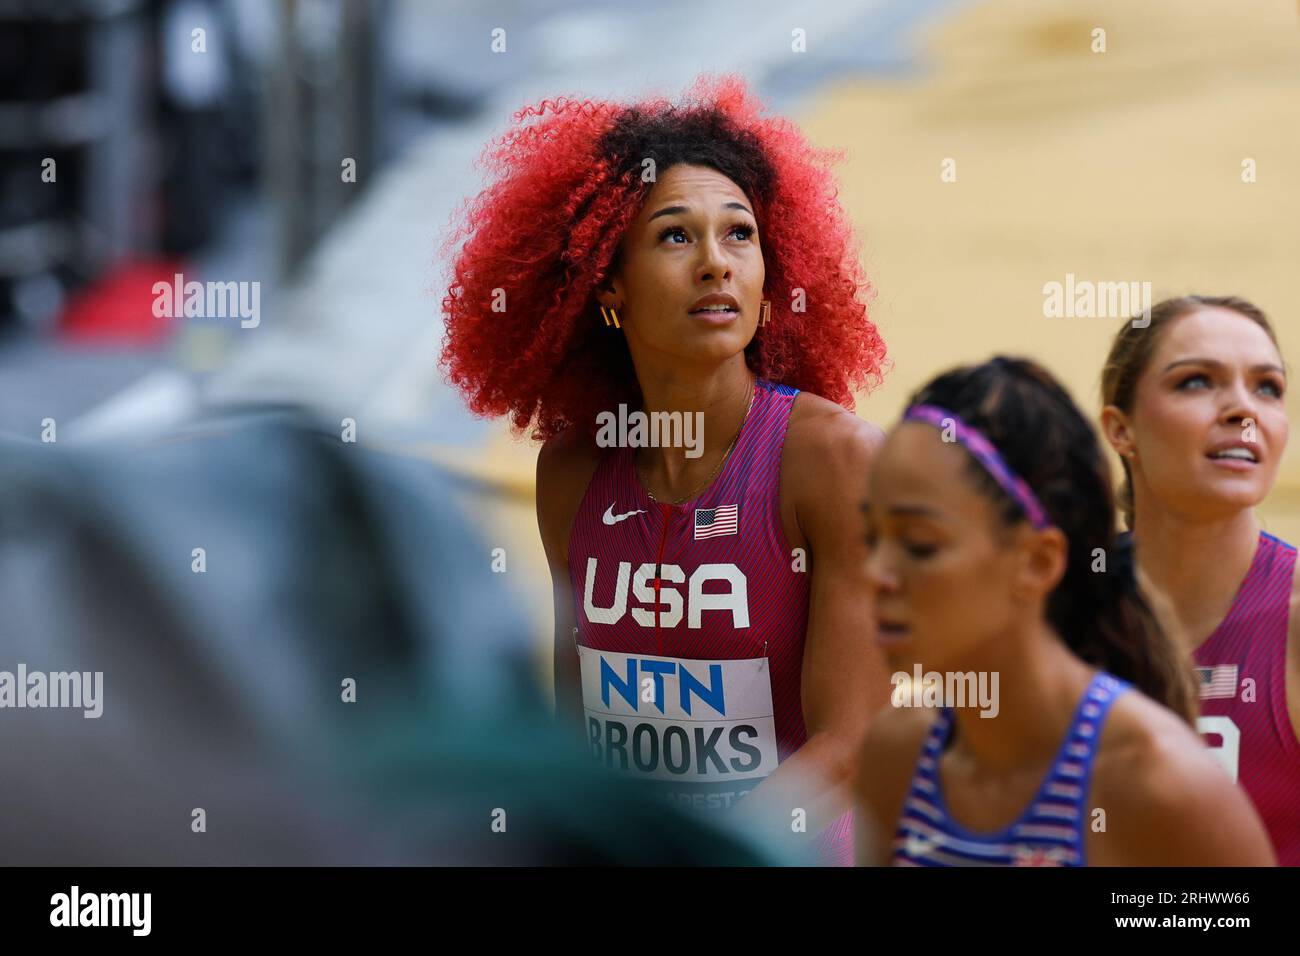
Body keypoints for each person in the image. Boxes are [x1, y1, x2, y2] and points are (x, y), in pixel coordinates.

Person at [440, 74, 890, 864]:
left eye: (740, 234)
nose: (717, 264)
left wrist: (700, 850)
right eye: (676, 236)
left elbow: (850, 746)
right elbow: (577, 725)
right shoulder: (572, 469)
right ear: (605, 281)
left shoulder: (834, 459)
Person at [855, 356, 1274, 866]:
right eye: (872, 538)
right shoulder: (897, 753)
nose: (877, 573)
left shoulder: (1159, 784)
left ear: (1037, 562)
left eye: (920, 545)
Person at [1100, 295, 1299, 865]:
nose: (1243, 409)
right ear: (1122, 429)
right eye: (1196, 382)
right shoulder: (1049, 613)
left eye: (1268, 387)